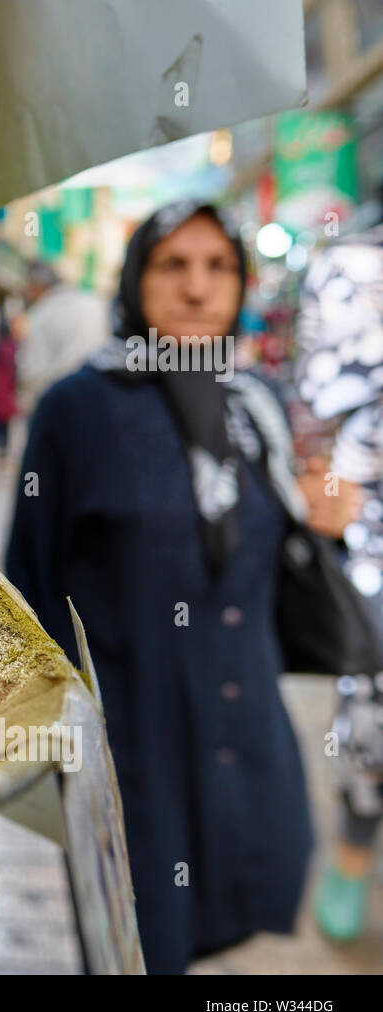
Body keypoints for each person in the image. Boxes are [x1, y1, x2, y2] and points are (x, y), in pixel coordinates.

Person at [6, 200, 314, 974]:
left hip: (243, 732)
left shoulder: (257, 407)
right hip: (132, 751)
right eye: (172, 265)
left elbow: (270, 573)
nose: (198, 288)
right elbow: (29, 585)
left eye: (219, 268)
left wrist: (325, 523)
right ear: (136, 279)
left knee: (227, 912)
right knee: (138, 939)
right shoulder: (77, 410)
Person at [294, 229, 383, 942]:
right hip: (371, 529)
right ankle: (352, 856)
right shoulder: (350, 265)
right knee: (372, 711)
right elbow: (317, 394)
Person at [13, 261, 110, 419]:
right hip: (97, 405)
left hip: (59, 409)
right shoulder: (95, 303)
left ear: (38, 285)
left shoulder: (42, 313)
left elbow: (31, 372)